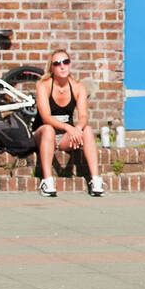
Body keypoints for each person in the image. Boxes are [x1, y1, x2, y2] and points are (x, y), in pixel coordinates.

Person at [34, 48, 104, 197]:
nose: (62, 66)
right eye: (57, 63)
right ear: (51, 68)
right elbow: (46, 117)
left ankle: (96, 180)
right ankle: (47, 181)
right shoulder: (44, 85)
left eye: (66, 62)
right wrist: (68, 127)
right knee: (48, 129)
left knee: (88, 130)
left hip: (65, 137)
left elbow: (84, 116)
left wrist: (77, 128)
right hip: (44, 135)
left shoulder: (78, 87)